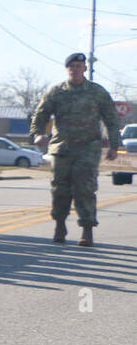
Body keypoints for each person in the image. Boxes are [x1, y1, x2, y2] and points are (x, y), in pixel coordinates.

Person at [31, 53, 121, 245]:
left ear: (85, 69)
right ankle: (60, 225)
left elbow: (111, 119)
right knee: (60, 188)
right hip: (61, 146)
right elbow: (41, 114)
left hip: (88, 147)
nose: (75, 69)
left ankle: (87, 229)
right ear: (67, 69)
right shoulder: (56, 92)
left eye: (79, 66)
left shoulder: (97, 92)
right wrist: (38, 134)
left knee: (85, 187)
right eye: (71, 66)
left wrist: (114, 145)